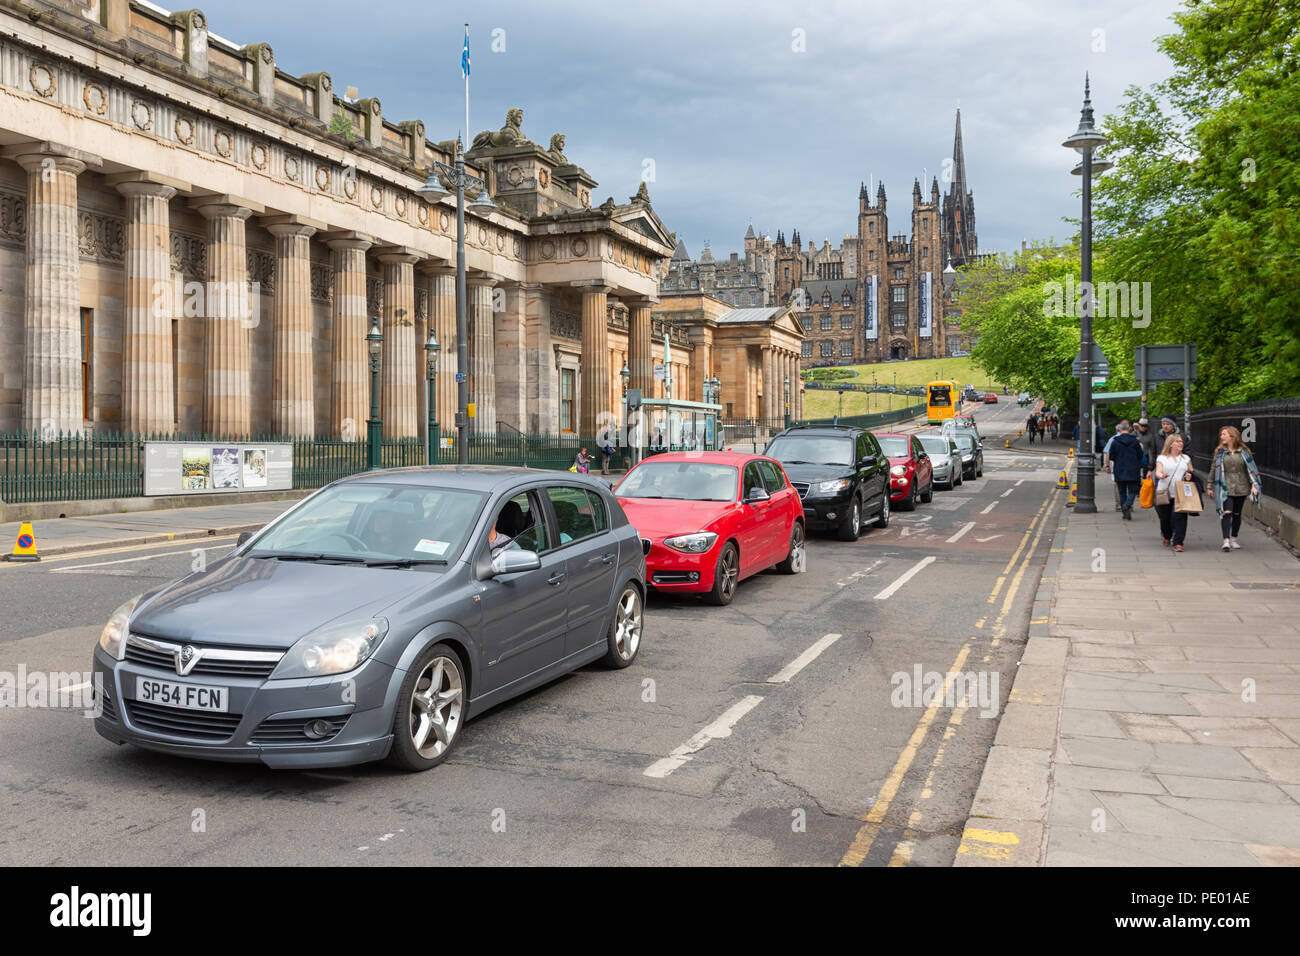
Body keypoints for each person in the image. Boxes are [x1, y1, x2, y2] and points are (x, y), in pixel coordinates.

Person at [1211, 426, 1262, 552]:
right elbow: (1213, 468)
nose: (1221, 437)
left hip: (1242, 487)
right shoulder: (1220, 452)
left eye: (1224, 434)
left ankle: (1234, 538)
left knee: (1237, 514)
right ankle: (1226, 541)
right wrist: (1209, 484)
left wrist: (1255, 485)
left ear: (1232, 436)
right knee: (1226, 512)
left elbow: (1252, 470)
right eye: (1221, 434)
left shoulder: (1244, 452)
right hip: (1225, 486)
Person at [1154, 434, 1193, 552]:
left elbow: (1192, 471)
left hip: (1181, 493)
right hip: (1164, 492)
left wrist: (1189, 475)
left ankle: (1178, 542)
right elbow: (1158, 472)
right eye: (1177, 441)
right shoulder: (1162, 458)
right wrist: (1162, 475)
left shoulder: (1186, 458)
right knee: (1165, 518)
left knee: (1180, 518)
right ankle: (1167, 536)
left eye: (1181, 441)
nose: (1181, 443)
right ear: (1171, 444)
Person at [1107, 421, 1145, 520]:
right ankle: (1128, 504)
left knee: (1122, 492)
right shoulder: (1135, 441)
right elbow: (1140, 455)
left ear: (1119, 430)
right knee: (1133, 490)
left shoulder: (1115, 441)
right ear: (1129, 429)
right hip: (1133, 469)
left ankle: (1125, 512)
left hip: (1119, 469)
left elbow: (1112, 456)